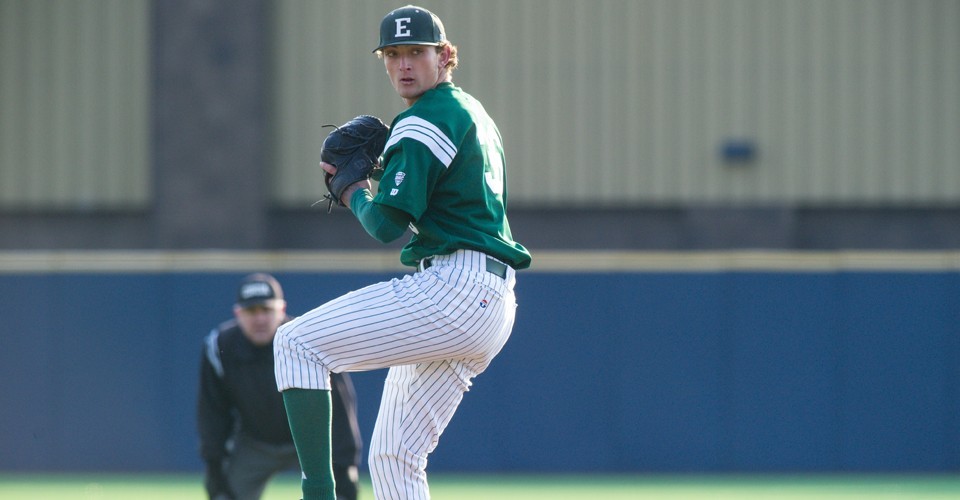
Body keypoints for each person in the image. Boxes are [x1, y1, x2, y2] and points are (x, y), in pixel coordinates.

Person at [273, 5, 532, 499]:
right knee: (395, 457)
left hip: (455, 288)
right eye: (393, 54)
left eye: (417, 51)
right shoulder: (472, 111)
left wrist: (351, 188)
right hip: (490, 300)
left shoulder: (423, 120)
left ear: (445, 56)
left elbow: (384, 225)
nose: (405, 64)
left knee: (296, 345)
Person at [198, 273, 362, 500]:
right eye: (251, 311)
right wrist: (214, 464)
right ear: (237, 313)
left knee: (339, 495)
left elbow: (341, 406)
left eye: (266, 310)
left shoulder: (306, 342)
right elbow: (212, 412)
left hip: (309, 440)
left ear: (282, 309)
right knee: (223, 495)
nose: (259, 319)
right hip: (254, 442)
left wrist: (345, 465)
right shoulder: (220, 346)